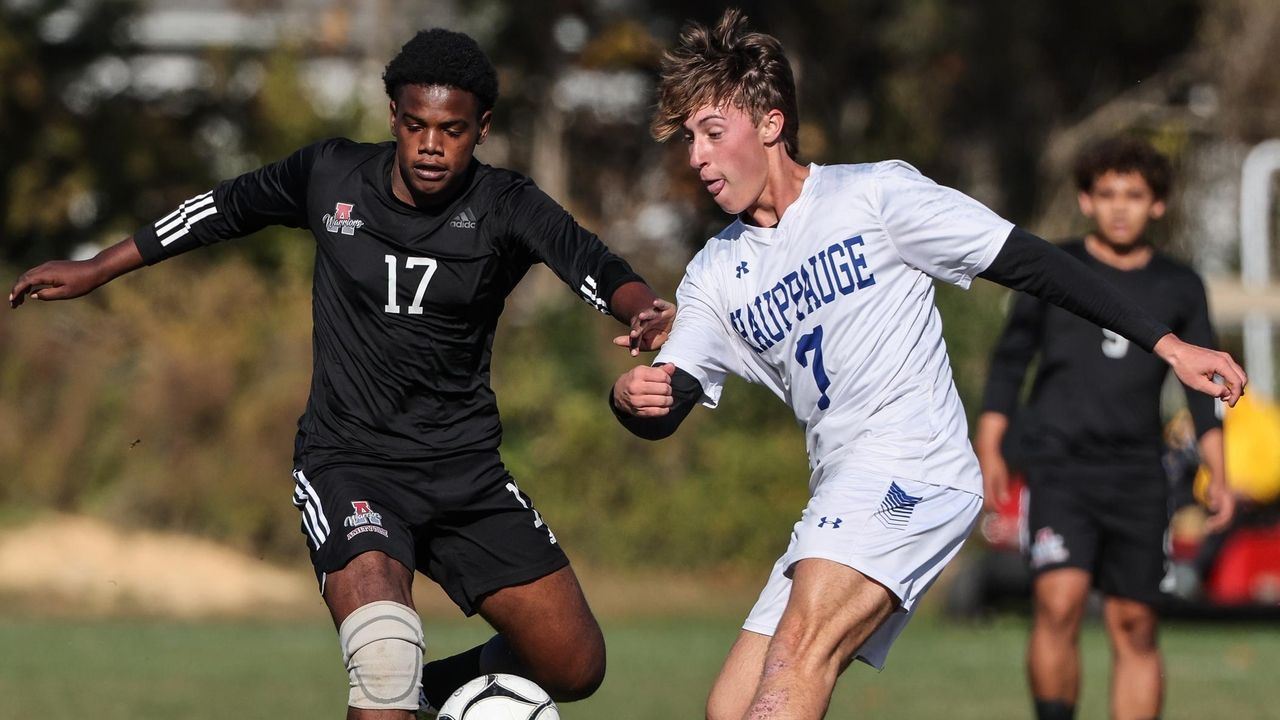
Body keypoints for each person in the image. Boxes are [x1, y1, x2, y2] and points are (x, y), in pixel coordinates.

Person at [9, 28, 673, 720]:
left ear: (482, 128)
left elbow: (588, 259)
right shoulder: (330, 175)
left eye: (451, 130)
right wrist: (97, 266)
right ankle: (393, 691)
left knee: (572, 663)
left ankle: (423, 699)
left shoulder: (506, 205)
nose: (430, 146)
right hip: (349, 463)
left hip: (464, 471)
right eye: (415, 125)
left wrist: (641, 308)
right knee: (385, 657)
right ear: (393, 117)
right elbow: (219, 210)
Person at [608, 10, 1246, 720]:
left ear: (769, 123)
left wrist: (1167, 343)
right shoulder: (713, 273)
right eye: (690, 138)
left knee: (799, 654)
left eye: (711, 132)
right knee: (731, 707)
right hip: (836, 488)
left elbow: (1034, 262)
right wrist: (632, 398)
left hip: (913, 467)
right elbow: (673, 397)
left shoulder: (875, 197)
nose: (696, 156)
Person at [975, 137, 1235, 720]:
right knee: (1059, 602)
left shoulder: (1180, 285)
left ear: (1158, 205)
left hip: (1140, 474)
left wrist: (1219, 470)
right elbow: (1010, 362)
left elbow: (1204, 389)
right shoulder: (1052, 270)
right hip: (1060, 467)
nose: (1121, 207)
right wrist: (990, 442)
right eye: (1107, 194)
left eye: (1134, 195)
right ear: (1086, 201)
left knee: (1135, 621)